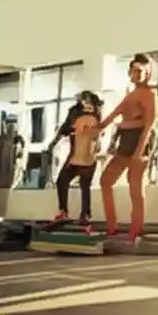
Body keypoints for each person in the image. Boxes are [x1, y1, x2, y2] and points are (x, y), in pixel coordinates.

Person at [96, 54, 158, 239]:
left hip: (140, 140)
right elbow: (113, 115)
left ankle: (136, 227)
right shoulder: (129, 95)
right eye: (134, 71)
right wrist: (96, 128)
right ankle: (111, 226)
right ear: (129, 73)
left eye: (141, 71)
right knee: (106, 181)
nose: (137, 74)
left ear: (147, 73)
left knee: (135, 185)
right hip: (125, 141)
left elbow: (150, 123)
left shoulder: (150, 95)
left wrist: (140, 149)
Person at [48, 91, 104, 227]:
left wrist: (53, 143)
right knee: (78, 185)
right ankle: (80, 213)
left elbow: (65, 129)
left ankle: (75, 212)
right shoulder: (94, 114)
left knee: (76, 184)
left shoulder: (84, 114)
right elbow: (66, 130)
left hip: (83, 157)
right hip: (80, 158)